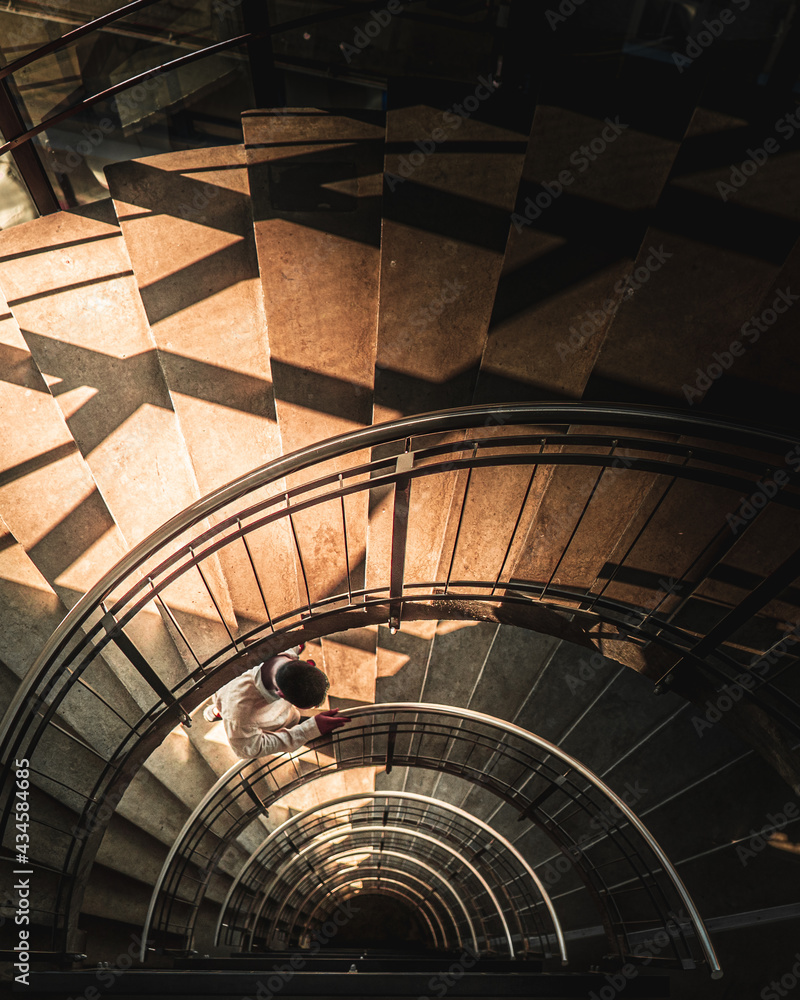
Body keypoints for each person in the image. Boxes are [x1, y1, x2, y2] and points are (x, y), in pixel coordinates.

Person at [202, 645, 347, 759]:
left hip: (232, 699)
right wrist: (307, 731)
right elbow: (248, 749)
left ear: (308, 664)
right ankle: (213, 713)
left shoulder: (286, 644)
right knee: (226, 710)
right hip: (232, 701)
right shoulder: (240, 713)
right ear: (281, 694)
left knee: (227, 709)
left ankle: (217, 711)